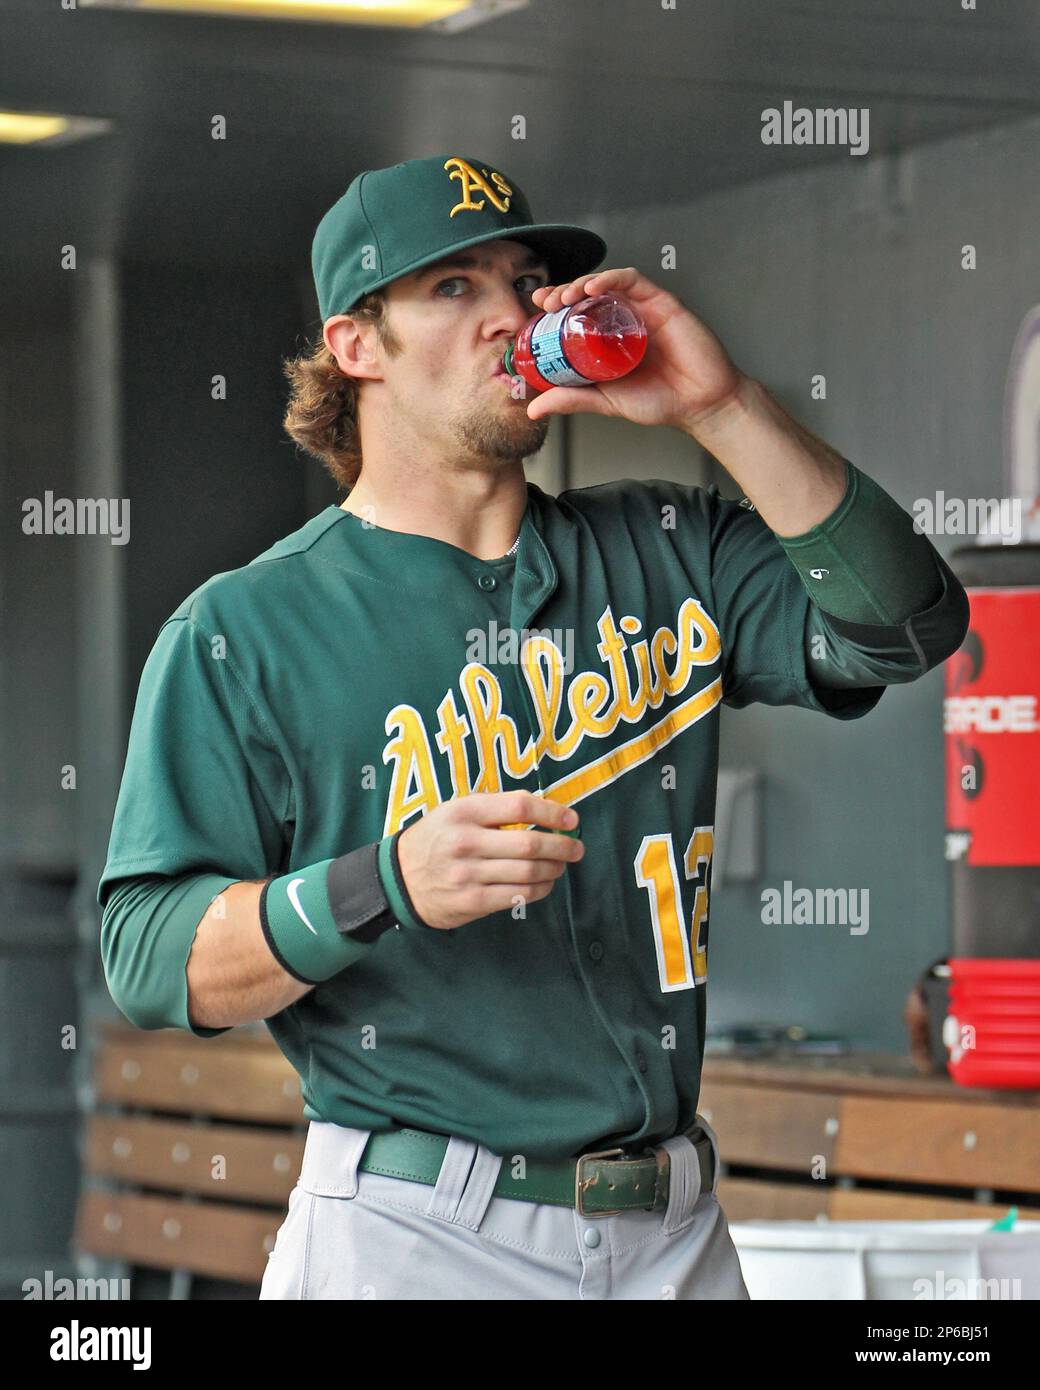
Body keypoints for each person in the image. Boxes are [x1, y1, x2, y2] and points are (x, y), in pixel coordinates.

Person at [97, 153, 969, 1300]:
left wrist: (720, 406)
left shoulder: (667, 544)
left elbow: (905, 626)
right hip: (420, 1228)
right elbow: (154, 957)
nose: (508, 315)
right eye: (452, 287)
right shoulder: (246, 628)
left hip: (673, 1221)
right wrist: (382, 881)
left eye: (520, 280)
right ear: (355, 345)